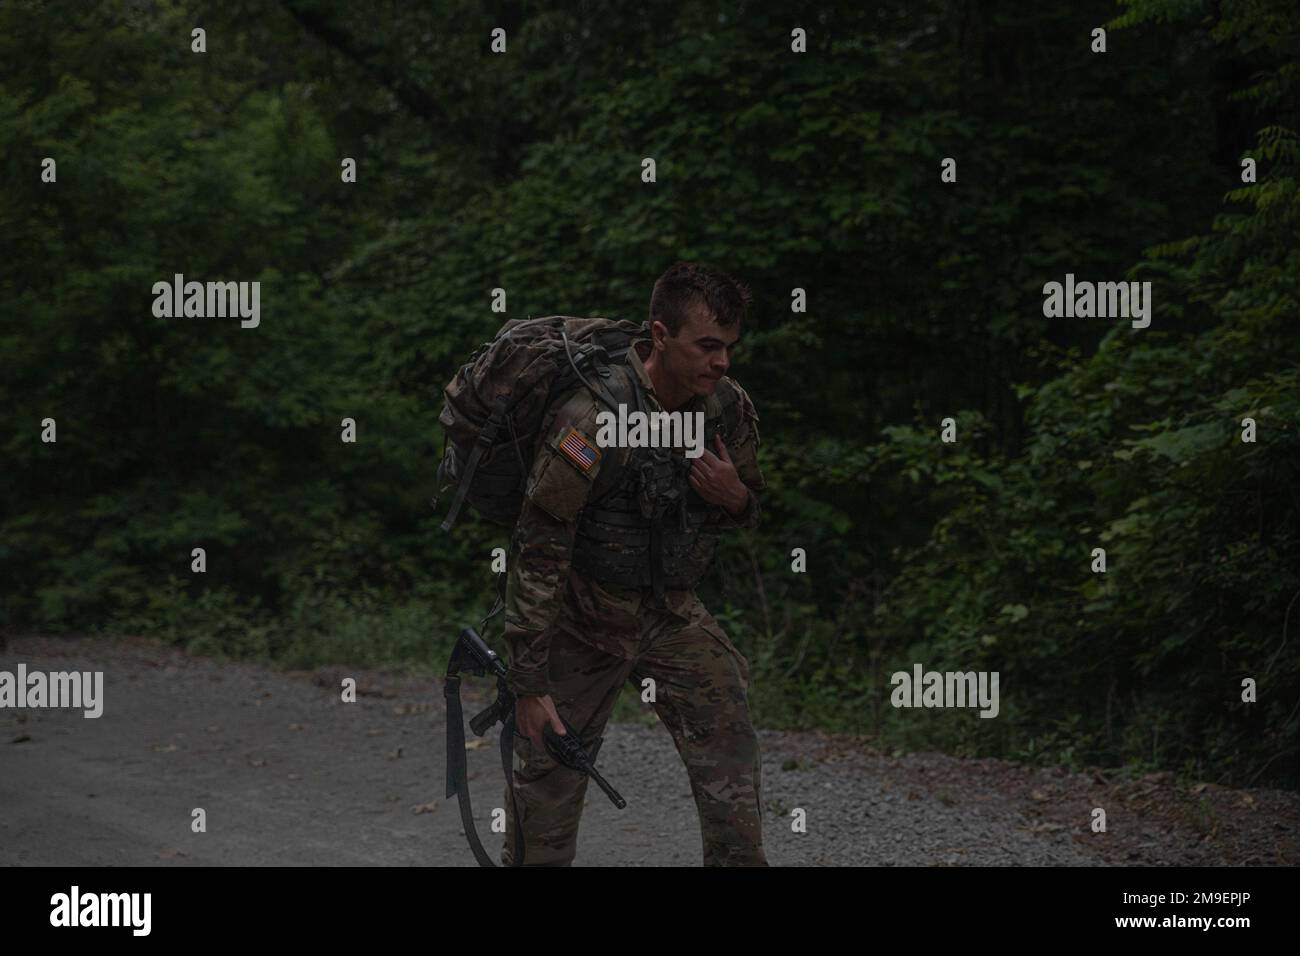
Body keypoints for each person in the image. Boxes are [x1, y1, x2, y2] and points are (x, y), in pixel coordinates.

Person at [499, 261, 769, 867]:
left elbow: (752, 507)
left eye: (728, 347)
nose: (721, 361)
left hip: (672, 614)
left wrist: (735, 496)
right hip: (583, 618)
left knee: (730, 753)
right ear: (660, 334)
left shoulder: (724, 409)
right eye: (706, 346)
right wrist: (529, 684)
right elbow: (539, 550)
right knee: (545, 791)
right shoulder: (591, 418)